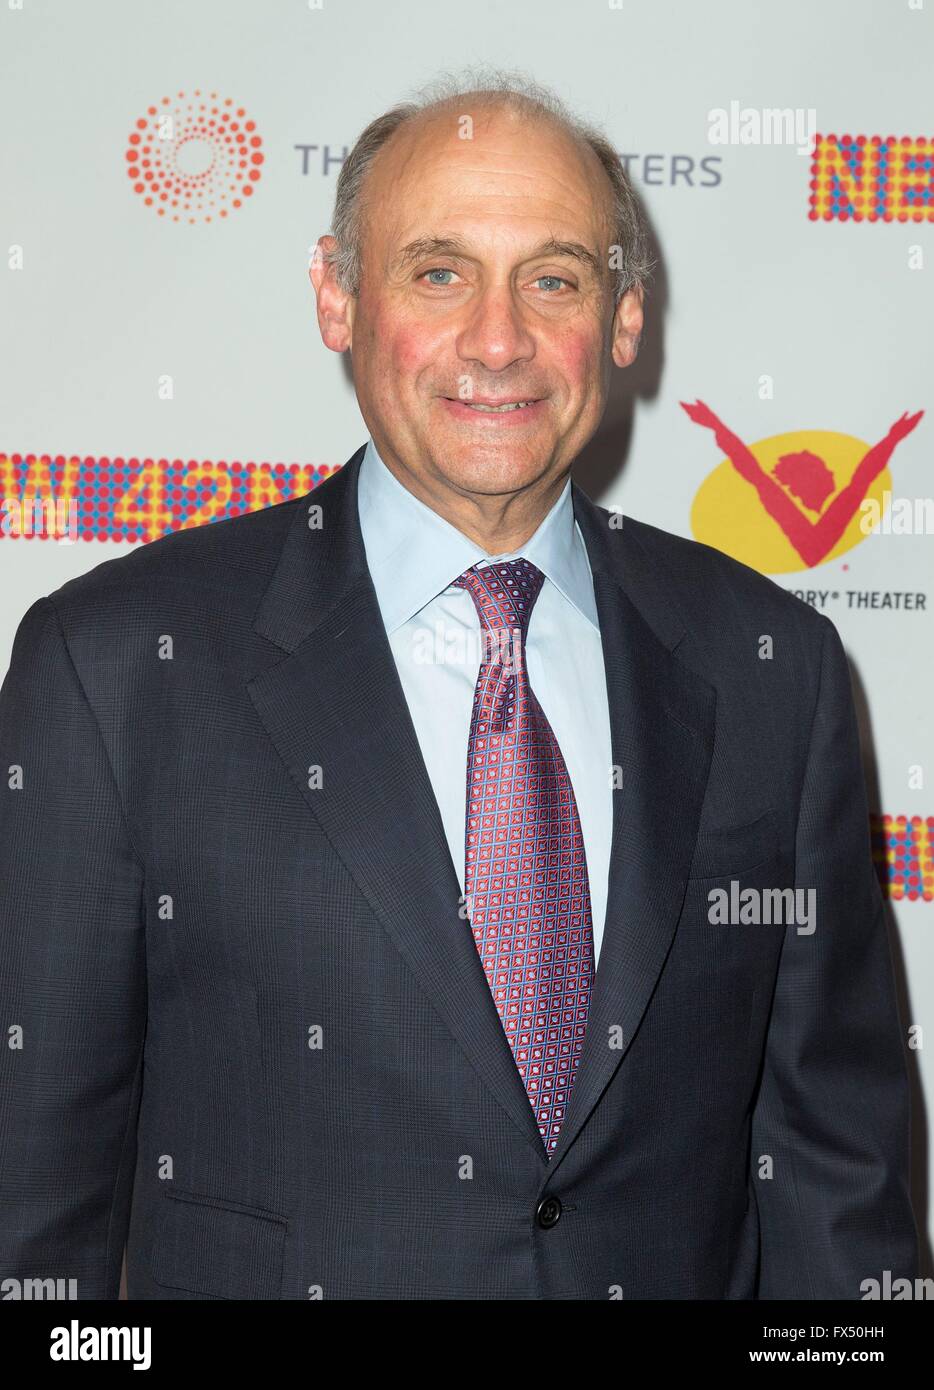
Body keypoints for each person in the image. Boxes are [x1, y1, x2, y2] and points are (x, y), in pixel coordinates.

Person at [0, 69, 918, 1300]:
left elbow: (832, 1173)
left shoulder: (772, 669)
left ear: (625, 320)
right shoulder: (117, 666)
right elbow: (31, 1211)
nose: (499, 338)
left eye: (554, 278)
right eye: (438, 272)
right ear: (338, 297)